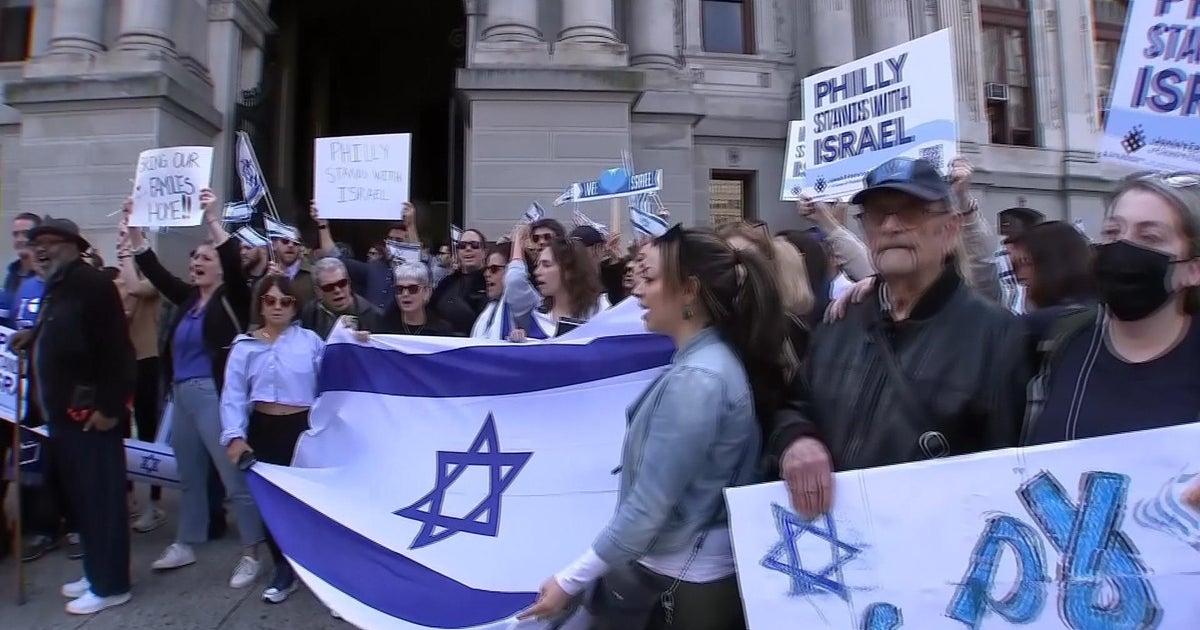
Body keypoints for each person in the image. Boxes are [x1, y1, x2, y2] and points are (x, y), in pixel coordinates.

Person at [520, 226, 788, 629]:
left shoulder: (699, 379)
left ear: (688, 291)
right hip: (676, 572)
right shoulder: (703, 364)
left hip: (677, 584)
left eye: (649, 278)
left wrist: (568, 580)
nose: (638, 292)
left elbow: (648, 509)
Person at [771, 157, 1028, 519]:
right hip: (838, 544)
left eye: (911, 212)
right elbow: (795, 406)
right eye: (876, 215)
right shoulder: (839, 322)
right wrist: (798, 440)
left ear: (950, 229)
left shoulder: (997, 335)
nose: (891, 226)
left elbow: (1006, 472)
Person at [126, 191, 263, 588]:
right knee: (189, 474)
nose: (196, 263)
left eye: (204, 258)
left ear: (221, 268)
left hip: (214, 396)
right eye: (193, 259)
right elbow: (153, 270)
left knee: (232, 475)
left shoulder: (232, 297)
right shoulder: (187, 300)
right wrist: (135, 230)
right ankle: (186, 541)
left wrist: (212, 219)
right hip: (182, 396)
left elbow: (235, 264)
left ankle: (252, 551)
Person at [10, 217, 136, 615]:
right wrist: (32, 338)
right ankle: (95, 570)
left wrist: (109, 409)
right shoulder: (57, 287)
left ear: (72, 246)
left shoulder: (92, 285)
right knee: (82, 501)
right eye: (35, 243)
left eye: (49, 241)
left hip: (91, 416)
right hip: (64, 417)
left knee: (102, 501)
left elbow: (118, 353)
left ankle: (111, 584)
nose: (40, 249)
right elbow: (63, 335)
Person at [1024, 172, 1200, 445]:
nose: (1122, 247)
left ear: (1193, 270)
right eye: (1112, 232)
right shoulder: (1064, 342)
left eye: (1150, 237)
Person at [222, 274, 325, 604]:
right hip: (263, 429)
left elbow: (335, 379)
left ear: (295, 306)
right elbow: (233, 395)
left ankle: (323, 575)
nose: (278, 307)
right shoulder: (244, 347)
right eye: (270, 300)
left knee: (310, 504)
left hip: (303, 430)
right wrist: (234, 437)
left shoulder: (311, 342)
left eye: (285, 301)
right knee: (272, 505)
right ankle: (283, 569)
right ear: (261, 304)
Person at [300, 257, 383, 339]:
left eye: (342, 283)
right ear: (318, 291)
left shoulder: (374, 315)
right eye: (329, 287)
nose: (337, 290)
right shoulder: (310, 312)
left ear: (349, 283)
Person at [428, 228, 489, 335]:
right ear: (457, 252)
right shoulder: (446, 283)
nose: (468, 249)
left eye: (474, 245)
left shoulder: (491, 281)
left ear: (484, 252)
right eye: (462, 246)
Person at [378, 262, 455, 336]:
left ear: (427, 291)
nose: (405, 294)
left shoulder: (442, 330)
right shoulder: (383, 327)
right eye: (399, 289)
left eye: (413, 289)